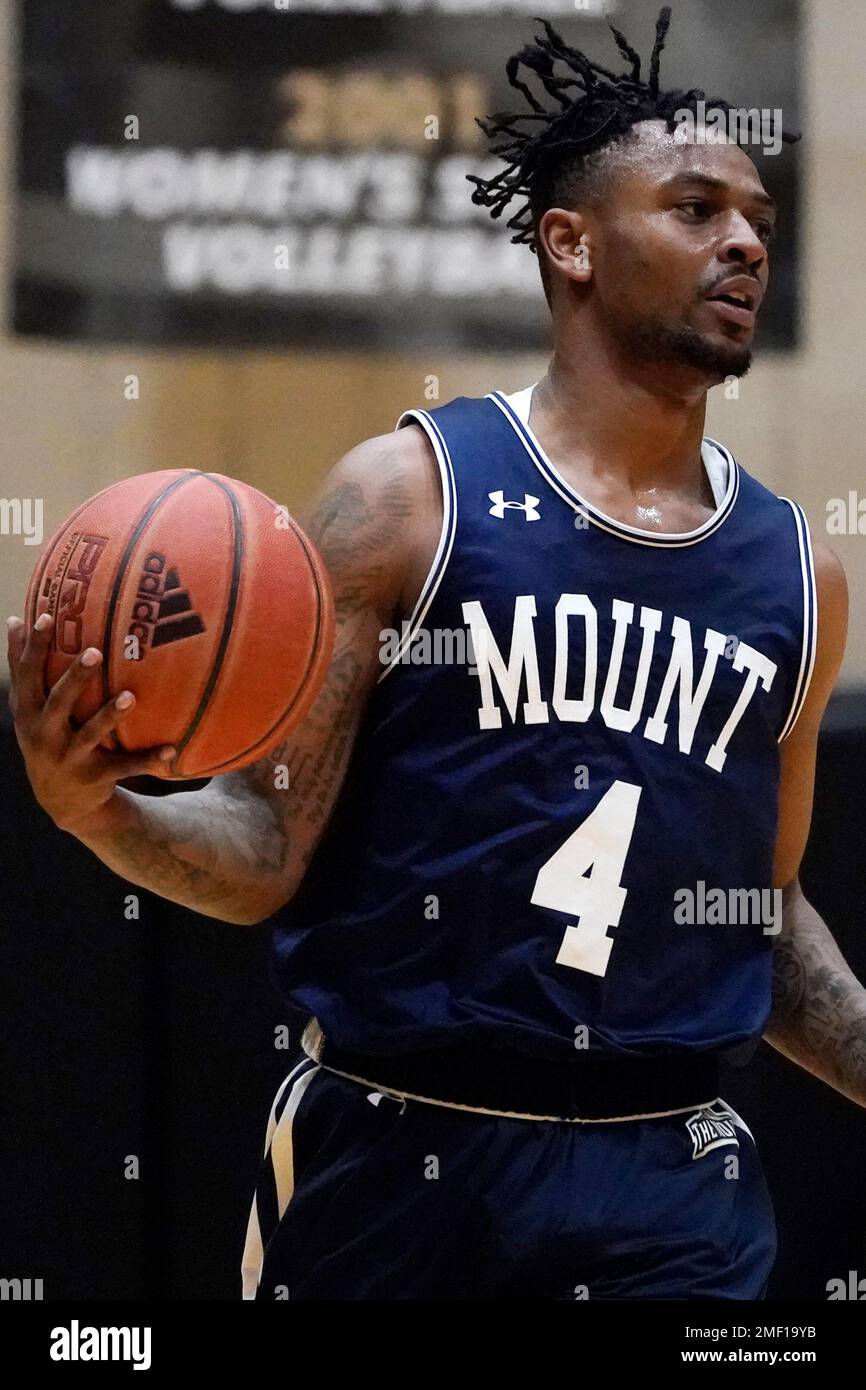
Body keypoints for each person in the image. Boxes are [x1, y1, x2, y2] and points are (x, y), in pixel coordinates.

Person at [8, 9, 863, 1299]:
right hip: (397, 1151)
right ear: (569, 244)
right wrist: (95, 811)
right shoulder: (411, 499)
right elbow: (262, 851)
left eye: (757, 218)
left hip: (674, 1186)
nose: (744, 239)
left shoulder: (801, 571)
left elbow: (770, 916)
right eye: (695, 209)